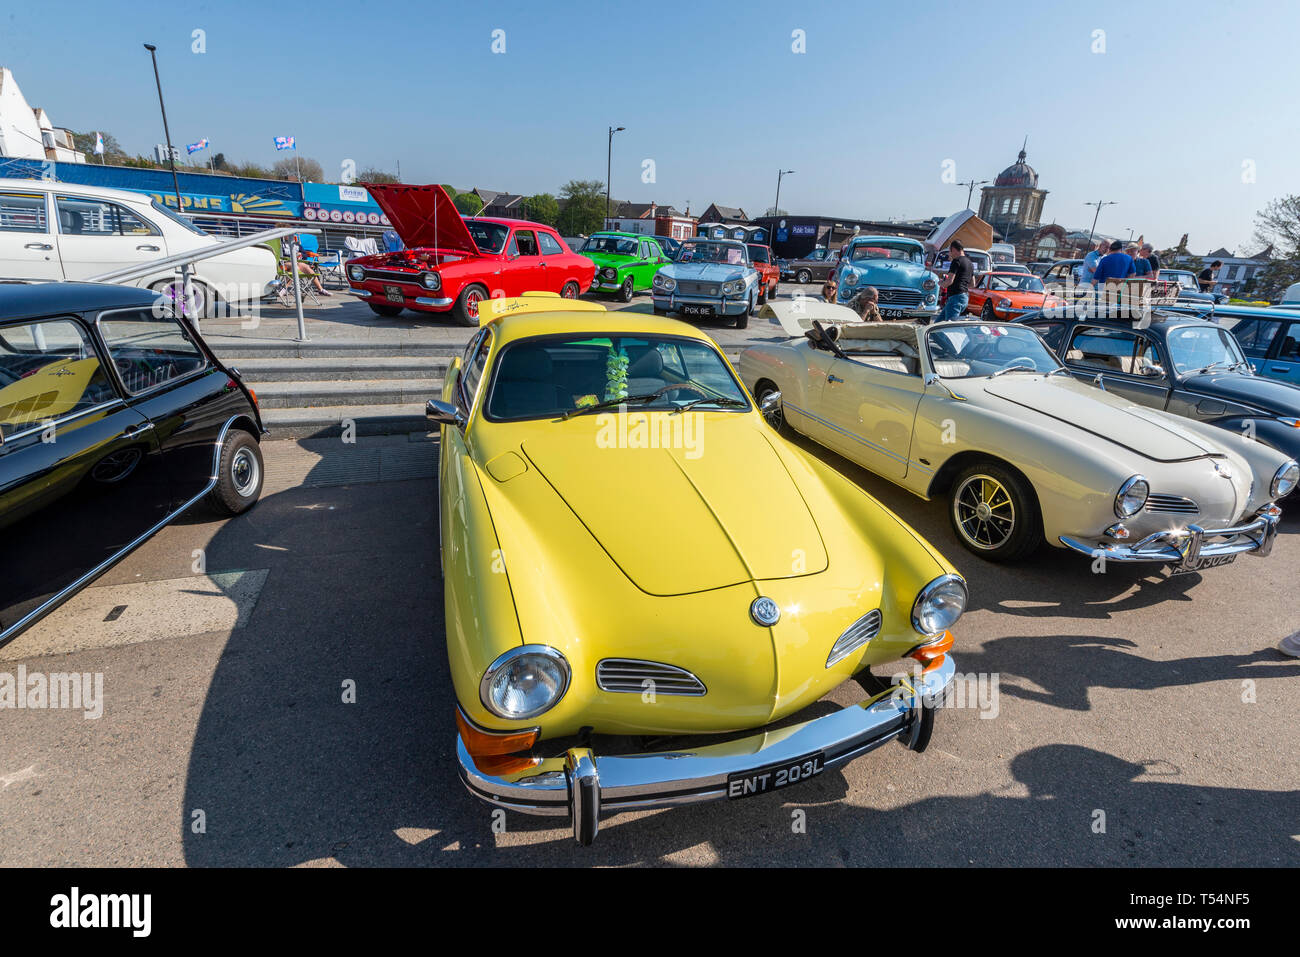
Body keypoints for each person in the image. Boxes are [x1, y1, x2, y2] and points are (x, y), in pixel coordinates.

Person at [938, 240, 973, 321]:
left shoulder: (956, 261)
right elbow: (973, 283)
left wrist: (941, 283)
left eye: (949, 251)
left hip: (955, 298)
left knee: (949, 327)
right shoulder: (970, 263)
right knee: (938, 324)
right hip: (964, 297)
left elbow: (949, 281)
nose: (949, 254)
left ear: (953, 249)